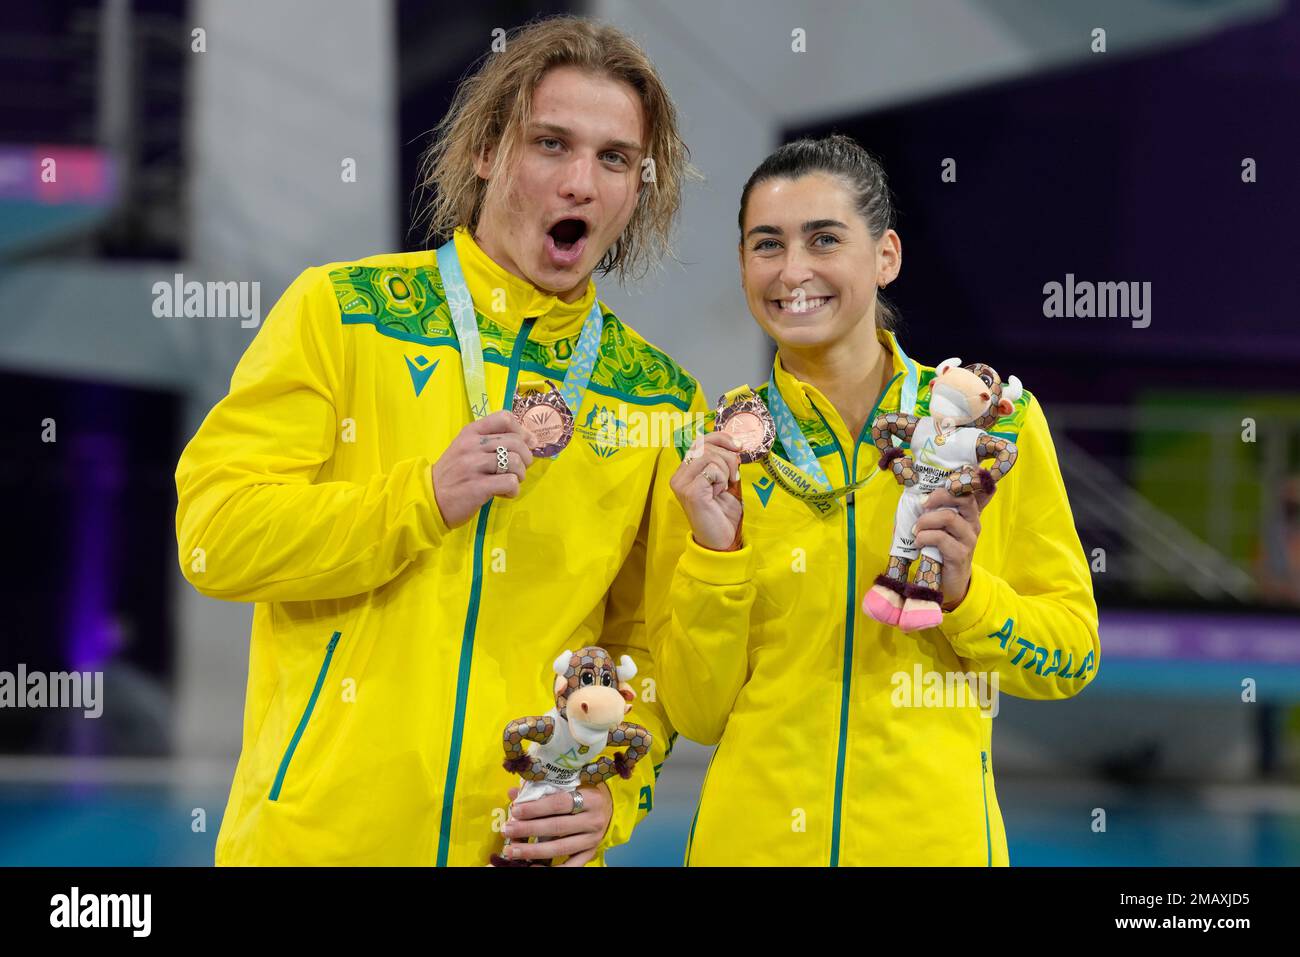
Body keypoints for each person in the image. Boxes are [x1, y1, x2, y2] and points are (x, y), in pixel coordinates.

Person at [174, 16, 704, 866]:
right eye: (551, 144)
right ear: (488, 151)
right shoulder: (341, 313)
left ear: (638, 188)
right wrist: (417, 500)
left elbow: (653, 648)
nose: (580, 183)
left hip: (521, 851)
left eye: (613, 159)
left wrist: (616, 794)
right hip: (316, 845)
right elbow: (214, 537)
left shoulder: (660, 400)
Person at [645, 134, 1101, 865]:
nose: (793, 270)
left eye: (823, 239)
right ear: (742, 266)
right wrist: (714, 559)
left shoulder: (997, 429)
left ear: (885, 255)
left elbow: (1070, 658)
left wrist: (967, 596)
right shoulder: (714, 450)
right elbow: (697, 713)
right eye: (767, 245)